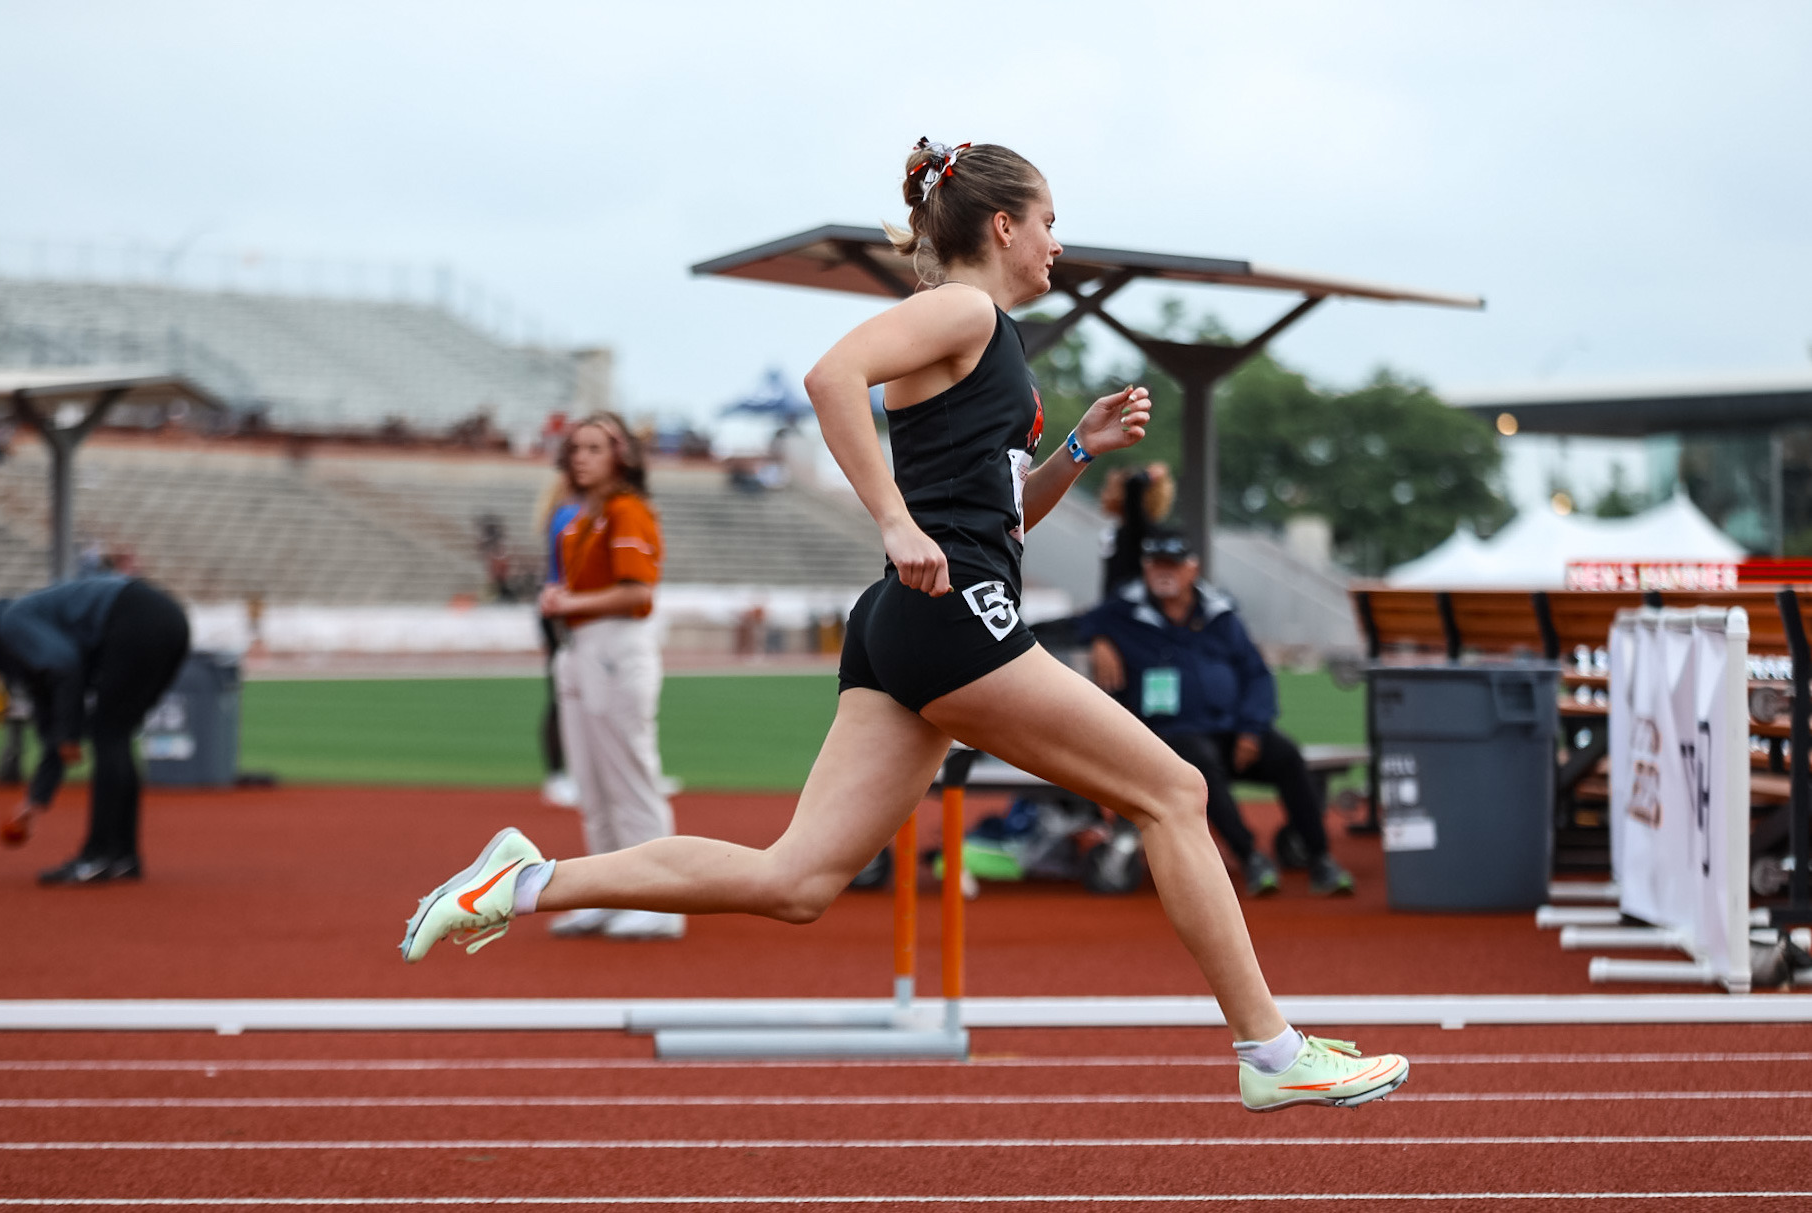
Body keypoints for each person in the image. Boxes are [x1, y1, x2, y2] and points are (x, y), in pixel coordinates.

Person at [400, 138, 1407, 1112]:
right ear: (1005, 225)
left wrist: (1074, 451)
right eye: (1051, 223)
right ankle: (1271, 1050)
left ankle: (526, 881)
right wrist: (891, 517)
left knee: (794, 879)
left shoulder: (985, 335)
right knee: (1175, 791)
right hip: (949, 610)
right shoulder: (961, 308)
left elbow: (1003, 515)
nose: (1059, 243)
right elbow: (832, 376)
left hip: (909, 616)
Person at [1082, 530, 1355, 898]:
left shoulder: (1221, 615)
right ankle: (1250, 856)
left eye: (1173, 565)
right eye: (1156, 565)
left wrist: (1253, 731)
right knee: (1199, 763)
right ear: (1145, 569)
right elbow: (1072, 626)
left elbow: (1257, 675)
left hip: (1233, 732)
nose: (1165, 572)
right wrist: (1097, 639)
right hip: (1169, 738)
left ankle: (1320, 857)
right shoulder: (1121, 613)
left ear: (1192, 569)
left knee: (1287, 755)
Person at [536, 412, 684, 941]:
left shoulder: (627, 511)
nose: (581, 456)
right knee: (592, 784)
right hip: (581, 646)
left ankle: (660, 900)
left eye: (595, 447)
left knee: (629, 777)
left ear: (620, 456)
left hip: (615, 644)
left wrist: (570, 600)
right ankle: (604, 893)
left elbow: (638, 593)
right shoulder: (580, 516)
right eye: (576, 447)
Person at [0, 575, 190, 883]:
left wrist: (70, 735)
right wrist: (36, 799)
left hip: (134, 616)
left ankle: (97, 855)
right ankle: (123, 856)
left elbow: (65, 667)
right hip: (167, 620)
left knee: (109, 733)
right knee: (115, 733)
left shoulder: (12, 623)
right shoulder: (22, 645)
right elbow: (54, 725)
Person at [532, 449, 584, 810]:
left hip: (566, 608)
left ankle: (567, 774)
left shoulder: (564, 511)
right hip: (564, 611)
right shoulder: (570, 514)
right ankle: (556, 775)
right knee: (563, 695)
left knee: (573, 695)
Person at [1098, 461, 1173, 599]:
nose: (1103, 492)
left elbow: (1134, 485)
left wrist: (1150, 475)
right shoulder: (1123, 529)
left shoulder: (1140, 529)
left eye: (1111, 488)